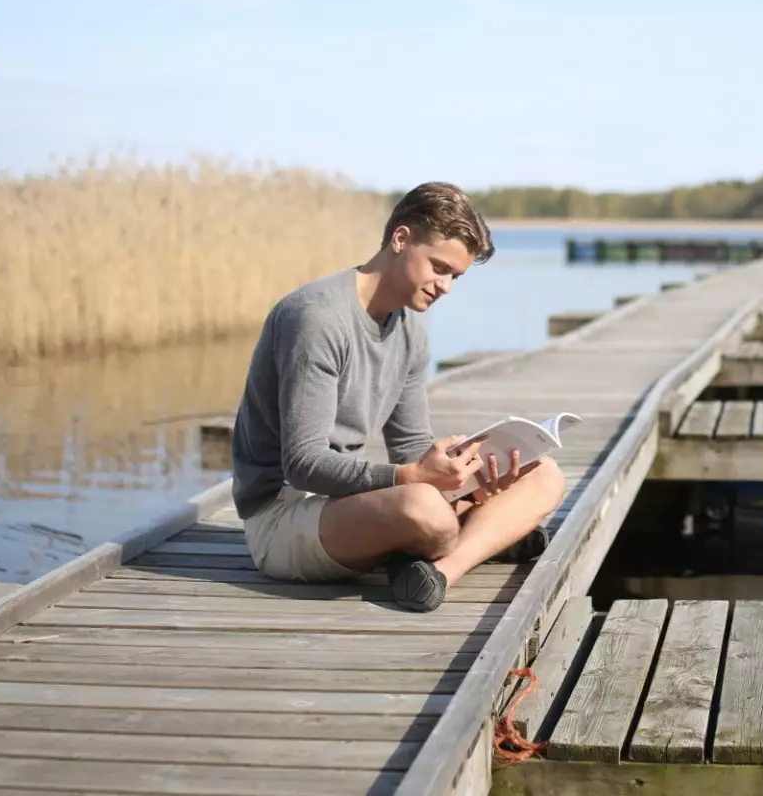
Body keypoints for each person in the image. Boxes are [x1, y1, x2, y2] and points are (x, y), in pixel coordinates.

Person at [228, 181, 567, 611]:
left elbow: (409, 448)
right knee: (425, 509)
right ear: (401, 239)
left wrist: (455, 470)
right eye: (439, 268)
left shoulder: (410, 327)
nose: (446, 287)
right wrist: (410, 478)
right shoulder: (315, 318)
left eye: (455, 277)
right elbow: (303, 465)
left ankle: (442, 571)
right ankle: (479, 536)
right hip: (284, 516)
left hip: (350, 504)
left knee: (545, 474)